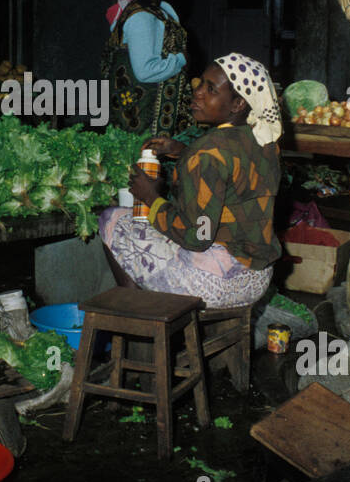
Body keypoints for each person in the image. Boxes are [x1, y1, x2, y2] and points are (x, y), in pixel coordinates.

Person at [99, 53, 282, 308]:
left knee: (113, 219)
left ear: (238, 104)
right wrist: (183, 152)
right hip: (257, 279)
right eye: (200, 84)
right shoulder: (264, 141)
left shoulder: (208, 152)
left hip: (216, 284)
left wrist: (152, 197)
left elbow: (199, 235)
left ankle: (138, 317)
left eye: (211, 89)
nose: (197, 93)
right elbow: (233, 175)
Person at [102, 0, 190, 138]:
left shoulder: (158, 9)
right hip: (145, 114)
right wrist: (181, 60)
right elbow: (145, 70)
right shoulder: (141, 17)